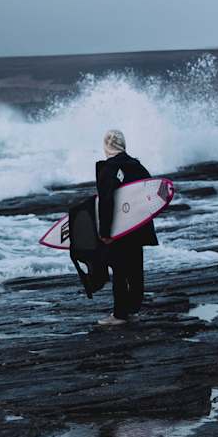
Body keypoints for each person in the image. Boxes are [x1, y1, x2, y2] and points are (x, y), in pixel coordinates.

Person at [95, 129, 158, 326]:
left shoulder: (108, 169)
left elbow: (107, 201)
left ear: (107, 146)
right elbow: (150, 193)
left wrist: (105, 232)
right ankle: (132, 309)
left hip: (119, 228)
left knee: (120, 271)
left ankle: (120, 315)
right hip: (137, 226)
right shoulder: (136, 165)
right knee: (135, 269)